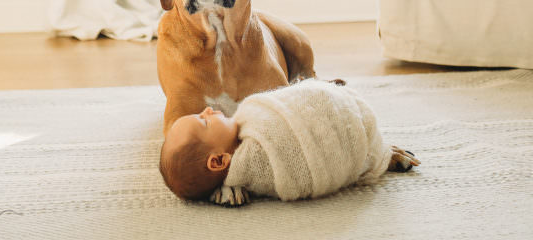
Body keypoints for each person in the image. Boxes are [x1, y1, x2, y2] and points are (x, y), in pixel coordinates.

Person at [159, 78, 420, 204]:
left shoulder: (244, 118)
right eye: (202, 120)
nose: (206, 110)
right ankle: (375, 152)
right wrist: (228, 181)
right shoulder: (250, 159)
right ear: (218, 161)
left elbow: (281, 105)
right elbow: (293, 162)